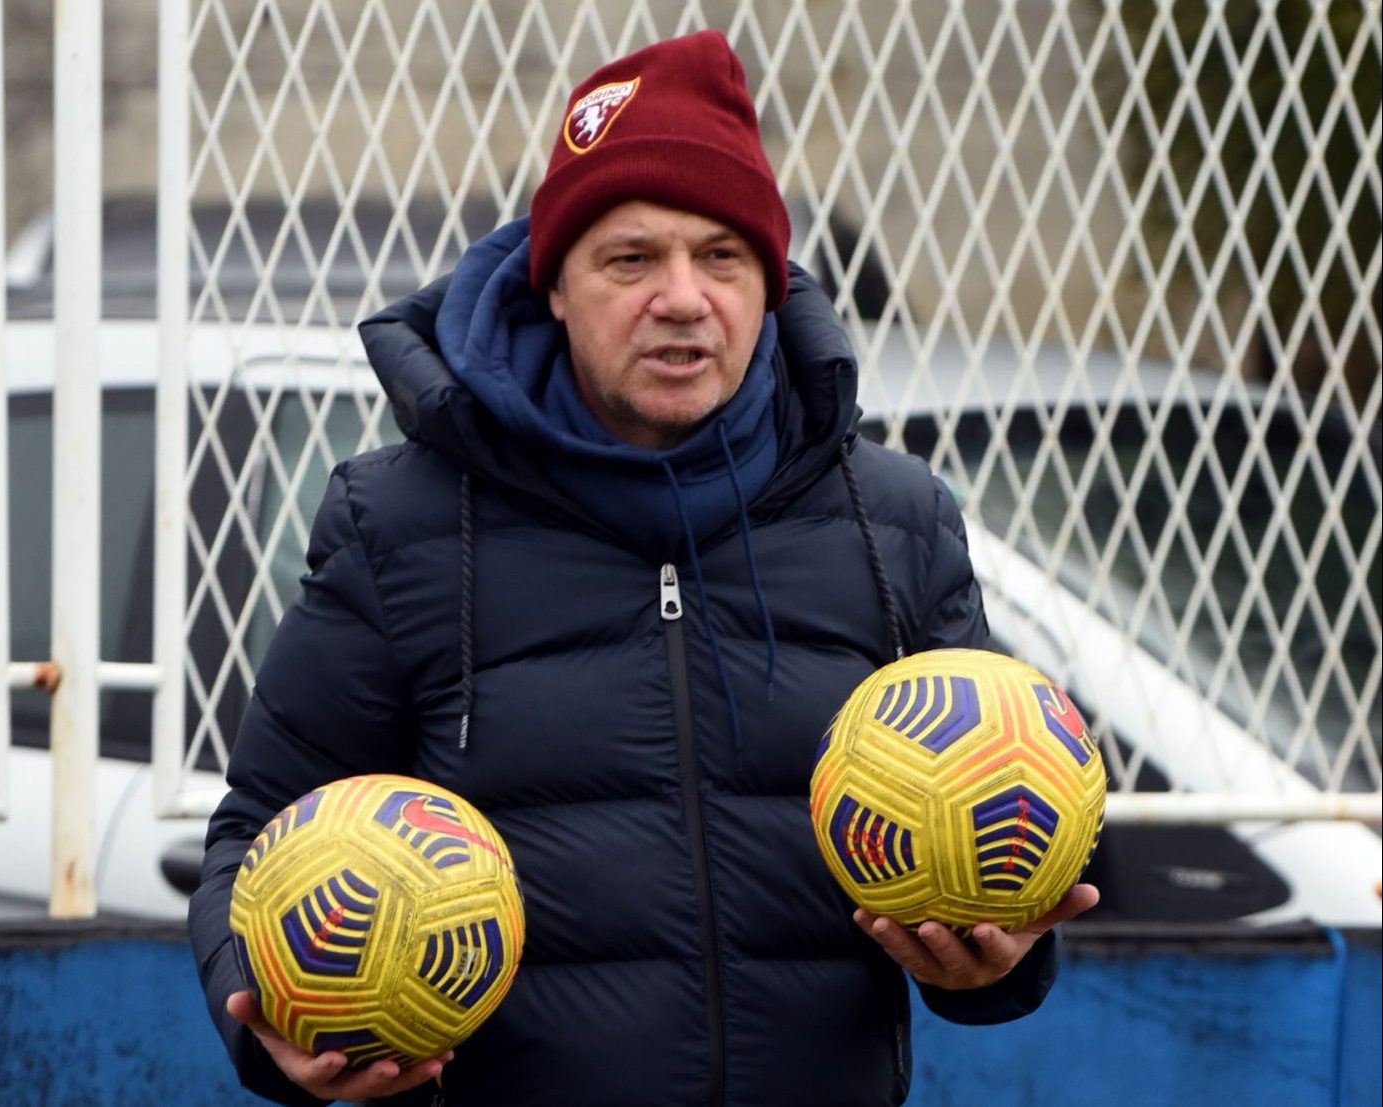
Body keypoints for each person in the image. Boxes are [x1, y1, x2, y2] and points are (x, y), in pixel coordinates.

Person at [188, 29, 1098, 1107]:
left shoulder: (889, 519)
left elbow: (998, 829)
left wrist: (1001, 962)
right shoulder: (405, 524)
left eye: (722, 256)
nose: (681, 297)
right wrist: (276, 1026)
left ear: (768, 280)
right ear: (555, 288)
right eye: (630, 259)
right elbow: (259, 832)